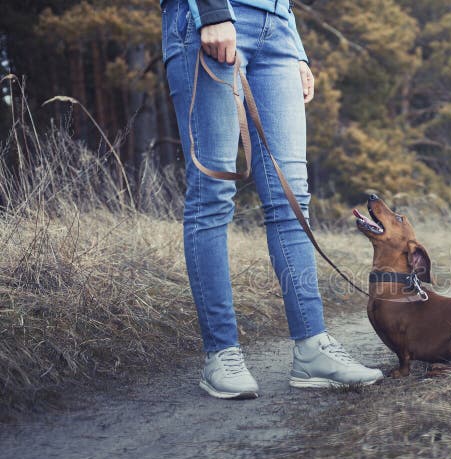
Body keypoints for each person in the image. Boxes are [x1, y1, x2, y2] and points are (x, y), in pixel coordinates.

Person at [160, 0, 383, 399]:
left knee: (291, 197)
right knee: (212, 194)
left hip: (277, 28)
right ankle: (221, 355)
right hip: (210, 18)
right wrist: (211, 13)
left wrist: (295, 45)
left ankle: (312, 349)